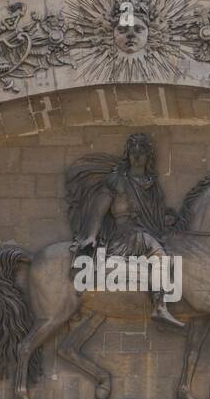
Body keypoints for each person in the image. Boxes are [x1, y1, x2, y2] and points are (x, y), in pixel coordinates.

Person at [65, 132, 185, 330]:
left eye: (142, 151)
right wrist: (91, 236)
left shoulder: (152, 186)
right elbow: (99, 210)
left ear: (149, 156)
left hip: (145, 233)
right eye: (133, 151)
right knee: (162, 258)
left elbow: (155, 214)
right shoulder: (116, 180)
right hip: (125, 235)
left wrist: (167, 220)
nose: (137, 155)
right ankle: (160, 306)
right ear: (127, 155)